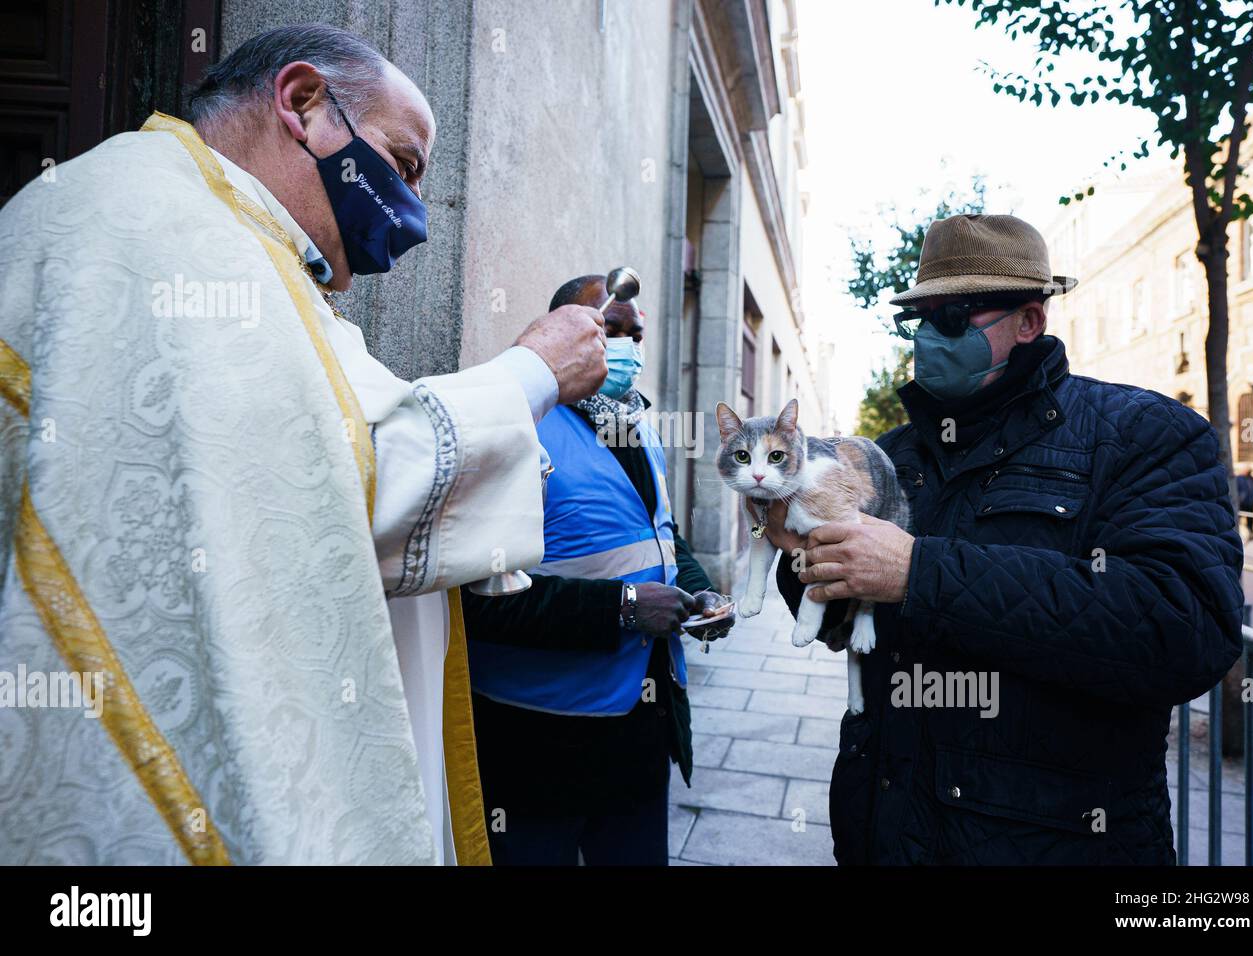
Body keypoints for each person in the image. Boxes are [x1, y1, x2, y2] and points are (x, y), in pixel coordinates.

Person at [0, 25, 609, 865]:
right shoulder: (170, 231)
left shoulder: (227, 238)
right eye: (403, 164)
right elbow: (339, 495)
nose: (413, 218)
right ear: (303, 104)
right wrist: (531, 372)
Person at [764, 214, 1243, 865]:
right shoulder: (891, 455)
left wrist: (920, 572)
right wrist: (803, 557)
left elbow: (1183, 626)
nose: (932, 337)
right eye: (921, 318)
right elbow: (837, 622)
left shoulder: (1144, 434)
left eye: (955, 317)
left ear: (1029, 322)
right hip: (883, 834)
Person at [462, 276, 732, 865]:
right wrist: (628, 608)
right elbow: (474, 596)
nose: (627, 345)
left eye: (636, 333)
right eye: (609, 329)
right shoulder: (515, 426)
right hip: (538, 741)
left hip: (640, 732)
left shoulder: (638, 424)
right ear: (560, 332)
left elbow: (663, 536)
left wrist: (696, 590)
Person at [1235, 463, 1253, 538]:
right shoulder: (1238, 478)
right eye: (1247, 470)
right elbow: (1236, 490)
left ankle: (1251, 534)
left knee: (1250, 520)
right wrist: (1240, 499)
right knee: (1238, 519)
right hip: (1241, 503)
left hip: (1250, 503)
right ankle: (1236, 533)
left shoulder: (1252, 479)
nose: (1249, 471)